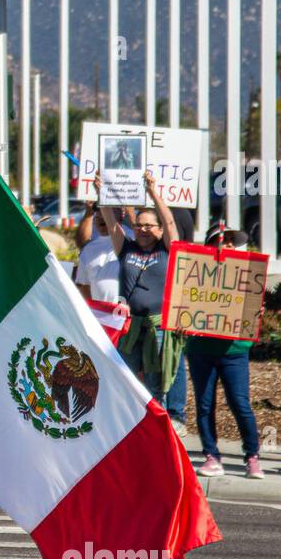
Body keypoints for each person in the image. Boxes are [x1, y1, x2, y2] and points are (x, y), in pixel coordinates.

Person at [99, 171, 184, 430]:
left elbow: (170, 224)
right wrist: (102, 192)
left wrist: (153, 193)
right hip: (130, 329)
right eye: (139, 226)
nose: (143, 230)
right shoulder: (127, 248)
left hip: (157, 329)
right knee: (125, 380)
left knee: (154, 385)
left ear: (158, 230)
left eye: (149, 226)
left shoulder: (167, 250)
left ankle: (155, 430)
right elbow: (111, 223)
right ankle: (126, 429)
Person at [188, 223, 263, 479]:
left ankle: (252, 456)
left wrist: (256, 313)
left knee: (240, 403)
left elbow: (253, 310)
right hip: (201, 349)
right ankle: (211, 455)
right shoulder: (195, 272)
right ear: (209, 246)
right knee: (205, 405)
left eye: (231, 241)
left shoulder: (247, 274)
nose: (226, 245)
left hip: (234, 350)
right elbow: (183, 304)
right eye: (220, 240)